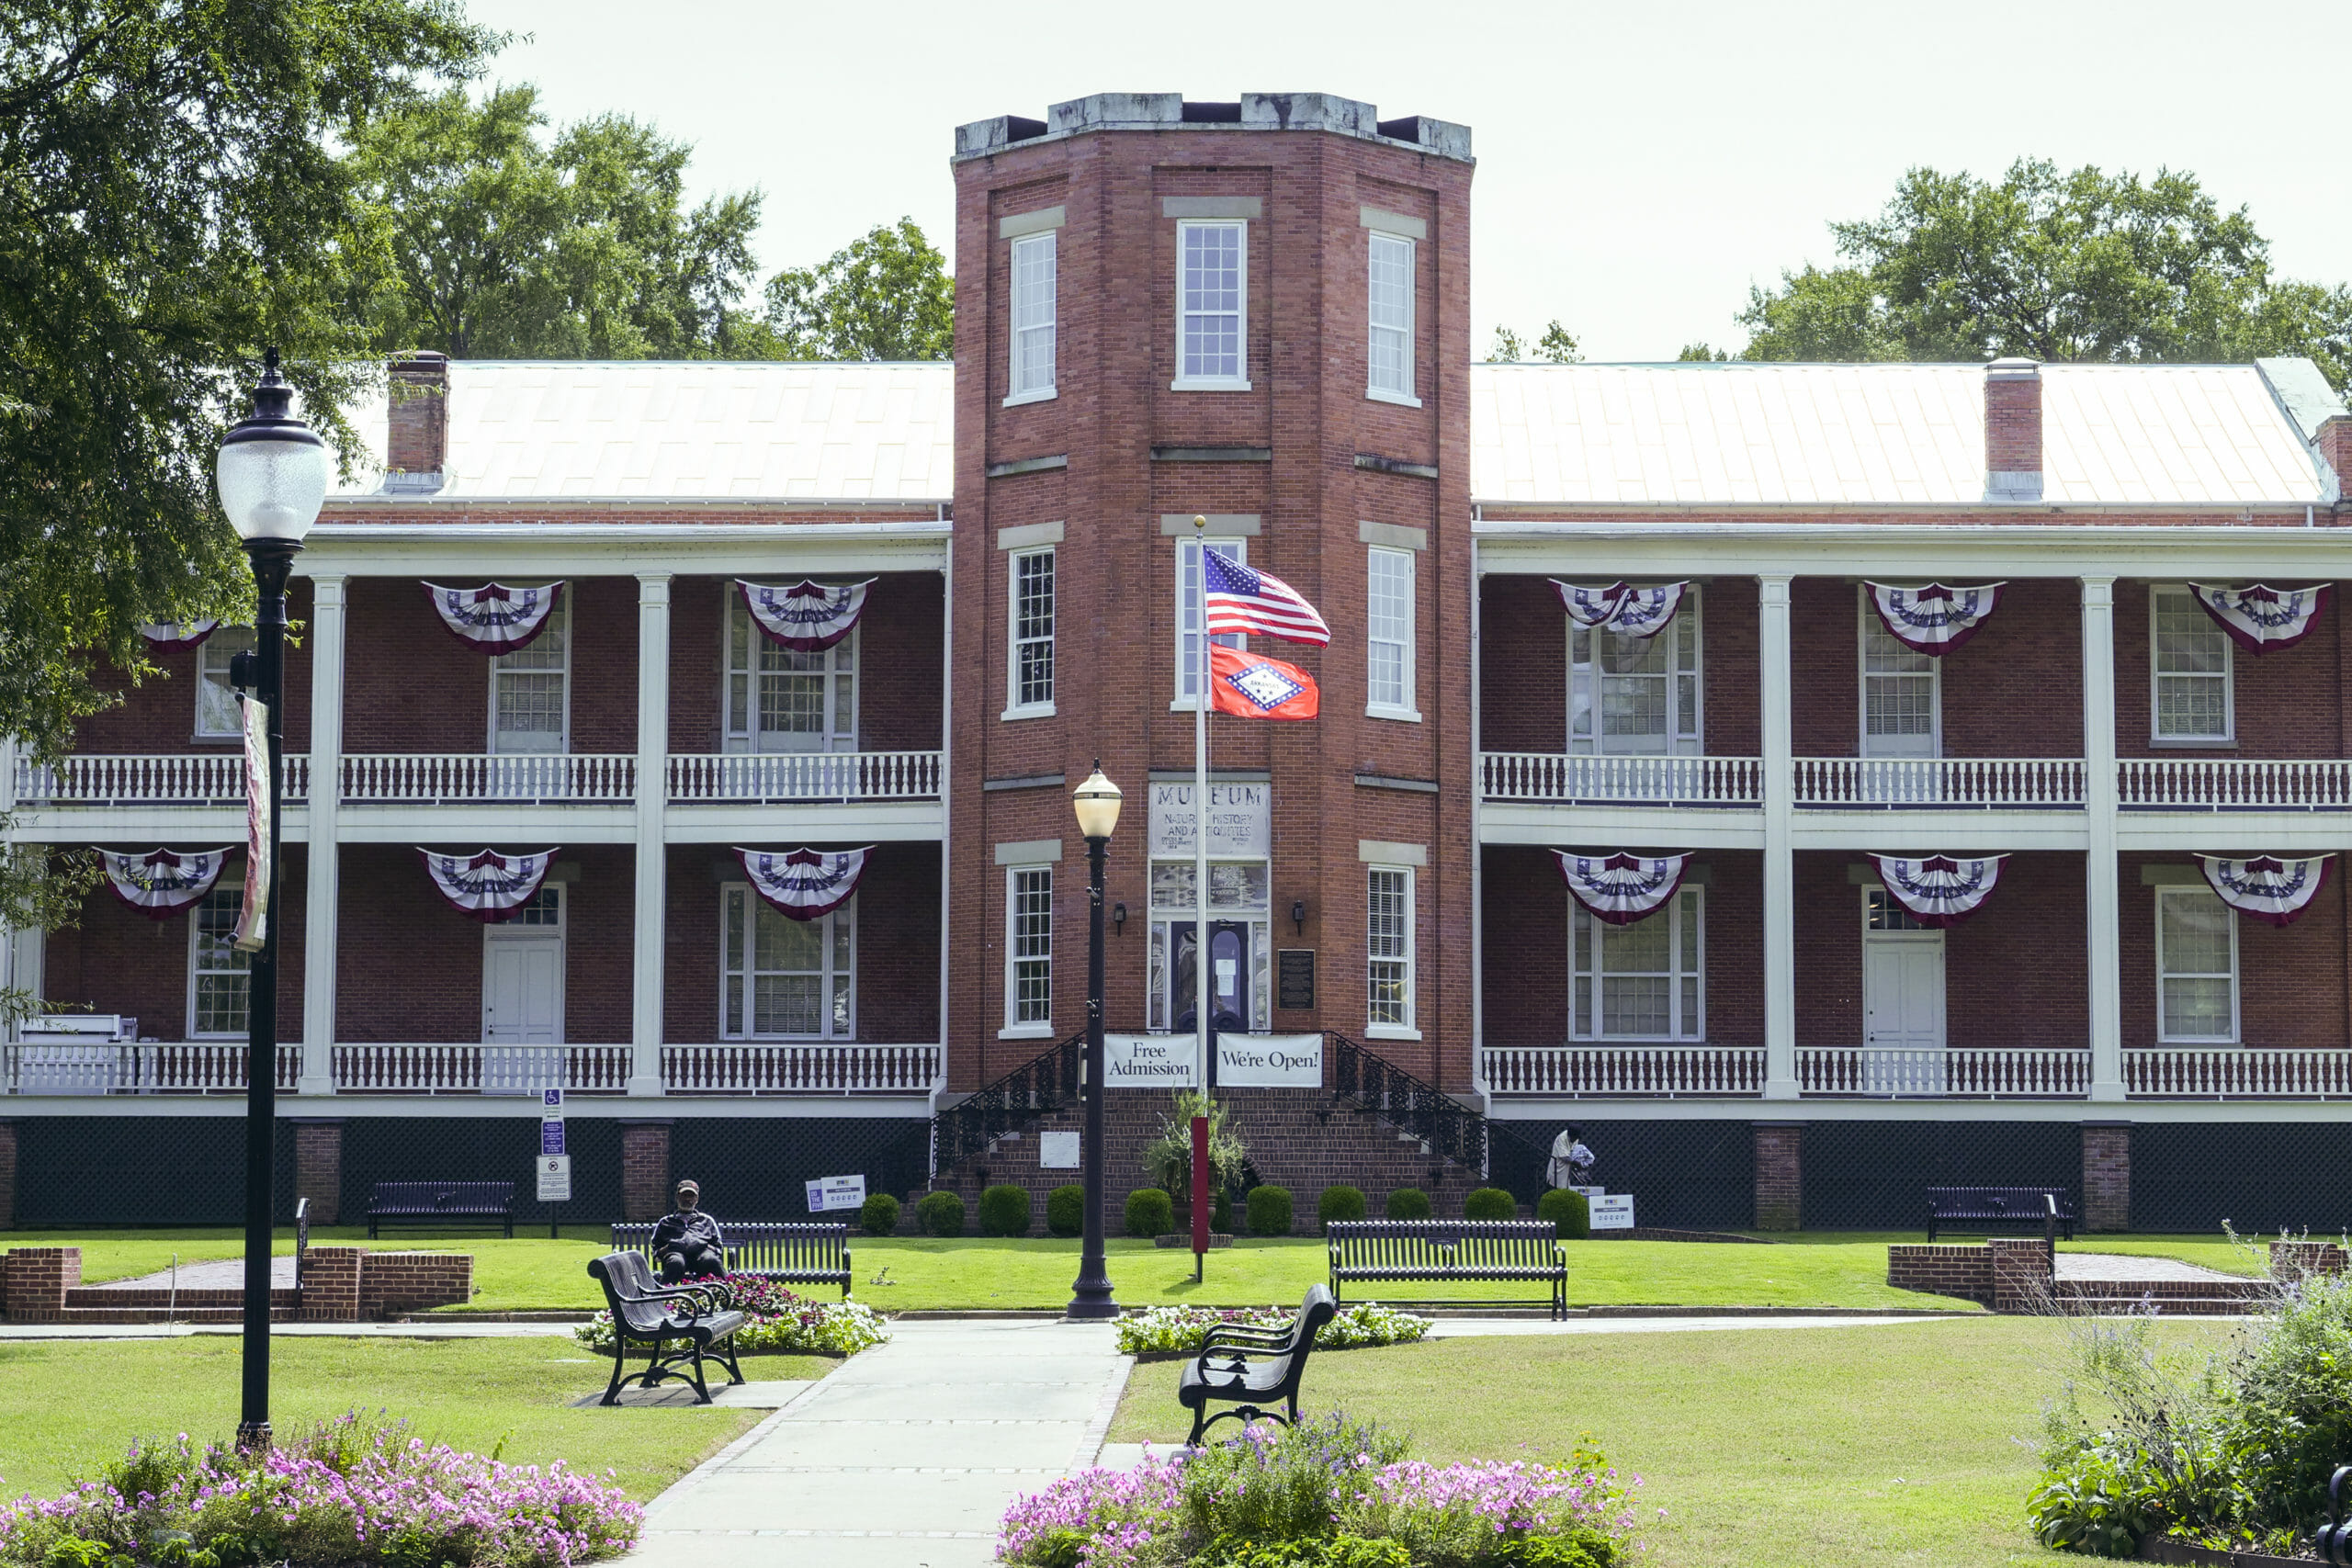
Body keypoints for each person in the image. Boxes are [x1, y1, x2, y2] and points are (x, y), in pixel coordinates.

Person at [651, 1179, 726, 1284]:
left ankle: (727, 1293)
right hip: (676, 1254)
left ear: (697, 1199)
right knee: (676, 1262)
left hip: (702, 1254)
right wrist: (670, 1247)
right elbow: (656, 1252)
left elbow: (718, 1248)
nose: (687, 1199)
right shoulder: (665, 1222)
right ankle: (662, 1296)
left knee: (710, 1260)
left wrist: (703, 1245)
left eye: (691, 1196)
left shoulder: (707, 1221)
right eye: (684, 1195)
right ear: (677, 1197)